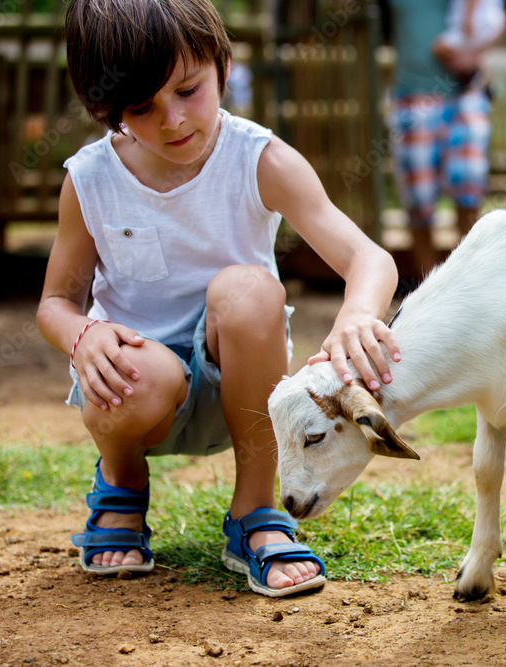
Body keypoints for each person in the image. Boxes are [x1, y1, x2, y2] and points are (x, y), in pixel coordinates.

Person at [37, 0, 400, 597]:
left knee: (250, 289)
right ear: (107, 110)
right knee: (132, 363)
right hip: (136, 392)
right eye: (141, 107)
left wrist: (358, 315)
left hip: (247, 388)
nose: (173, 120)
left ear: (221, 67)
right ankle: (121, 485)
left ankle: (255, 510)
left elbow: (369, 258)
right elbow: (55, 302)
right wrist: (83, 335)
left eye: (187, 90)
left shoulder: (260, 159)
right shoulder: (90, 180)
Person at [381, 0, 504, 277]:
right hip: (413, 98)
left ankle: (475, 280)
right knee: (419, 200)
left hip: (466, 93)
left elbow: (496, 16)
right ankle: (428, 288)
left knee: (469, 188)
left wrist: (476, 51)